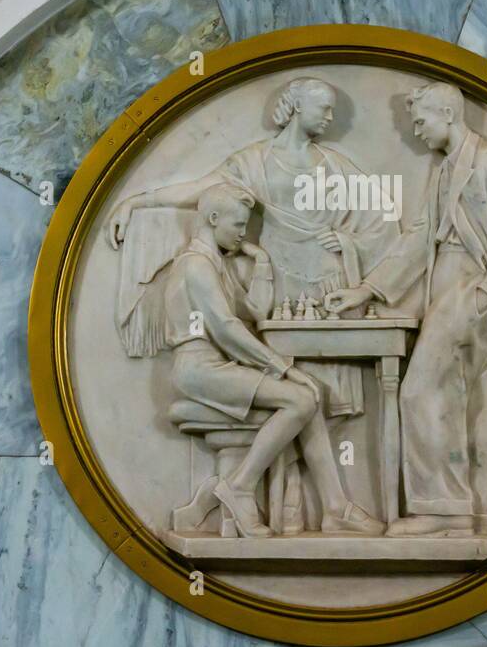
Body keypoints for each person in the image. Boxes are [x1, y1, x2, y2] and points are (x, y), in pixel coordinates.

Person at [326, 83, 487, 538]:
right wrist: (367, 289)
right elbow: (421, 235)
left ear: (447, 112)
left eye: (421, 121)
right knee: (475, 397)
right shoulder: (448, 168)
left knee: (419, 392)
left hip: (469, 292)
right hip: (453, 292)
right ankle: (485, 513)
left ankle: (444, 509)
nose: (417, 131)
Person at [110, 77, 397, 419]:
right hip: (278, 283)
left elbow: (385, 219)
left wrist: (350, 242)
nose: (330, 117)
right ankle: (281, 472)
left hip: (327, 284)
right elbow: (200, 190)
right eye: (324, 107)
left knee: (327, 401)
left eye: (333, 109)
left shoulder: (336, 166)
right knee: (286, 391)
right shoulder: (253, 162)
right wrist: (138, 202)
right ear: (298, 107)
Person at [164, 183, 384, 538]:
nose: (242, 234)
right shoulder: (196, 266)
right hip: (198, 368)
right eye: (238, 225)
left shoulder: (215, 264)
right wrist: (284, 368)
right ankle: (240, 486)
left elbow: (253, 310)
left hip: (217, 366)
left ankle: (334, 508)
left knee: (308, 399)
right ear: (213, 218)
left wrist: (262, 262)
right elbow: (226, 329)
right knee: (300, 396)